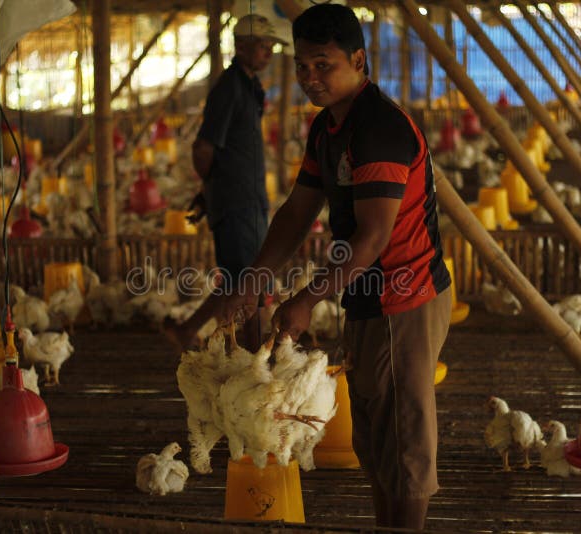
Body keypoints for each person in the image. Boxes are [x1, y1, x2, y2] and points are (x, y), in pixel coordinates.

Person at [220, 4, 451, 530]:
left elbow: (371, 239)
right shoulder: (328, 129)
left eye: (323, 65)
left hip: (404, 297)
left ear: (358, 60)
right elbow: (298, 211)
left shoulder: (379, 130)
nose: (309, 77)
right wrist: (255, 279)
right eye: (302, 66)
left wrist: (305, 300)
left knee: (405, 442)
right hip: (368, 297)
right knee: (374, 435)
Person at [165, 14, 286, 352]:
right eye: (263, 47)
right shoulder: (230, 87)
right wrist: (215, 188)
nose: (268, 53)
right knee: (248, 280)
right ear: (242, 46)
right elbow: (203, 148)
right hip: (237, 201)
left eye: (271, 48)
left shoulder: (248, 85)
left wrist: (211, 190)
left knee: (241, 277)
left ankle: (188, 330)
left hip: (245, 198)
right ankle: (251, 354)